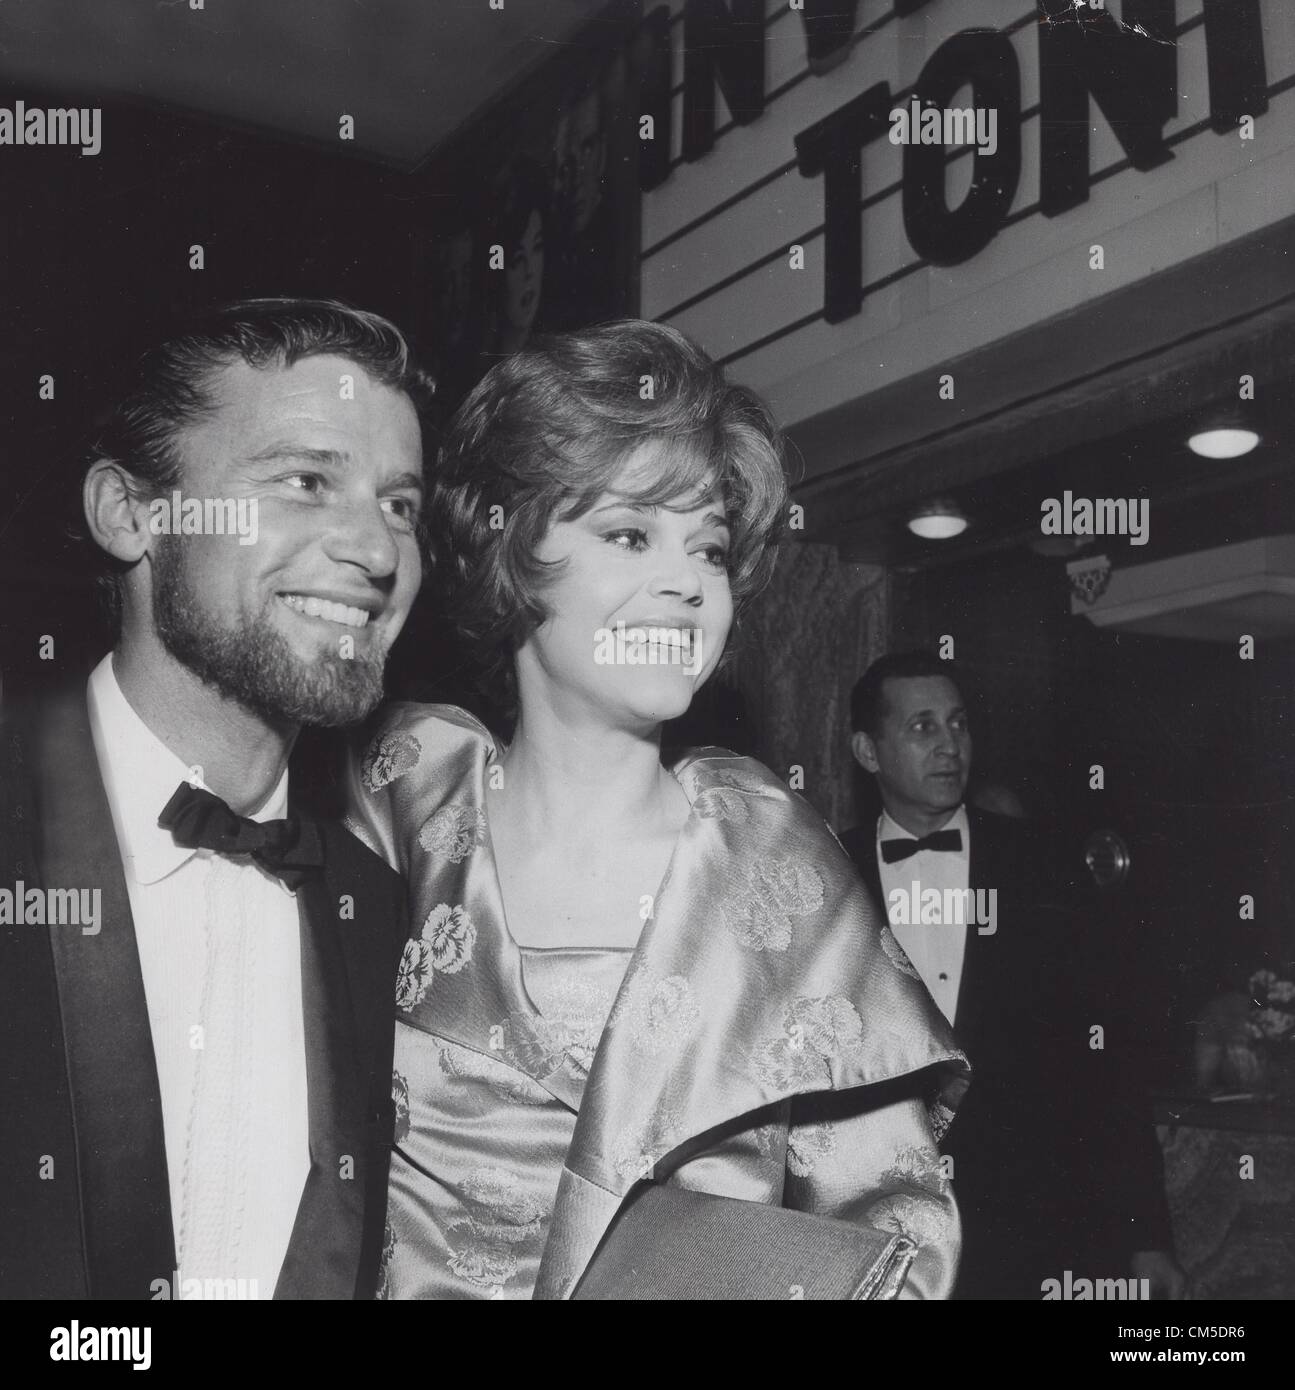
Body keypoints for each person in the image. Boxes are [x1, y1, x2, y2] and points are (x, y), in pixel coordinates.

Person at [346, 320, 970, 1301]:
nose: (686, 582)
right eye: (630, 533)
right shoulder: (402, 792)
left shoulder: (771, 862)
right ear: (509, 548)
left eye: (709, 550)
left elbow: (894, 1225)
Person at [0, 298, 432, 1299]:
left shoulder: (378, 906)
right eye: (306, 480)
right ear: (131, 513)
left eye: (400, 504)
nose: (376, 551)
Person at [838, 650, 1183, 1300]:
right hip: (878, 1232)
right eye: (922, 727)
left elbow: (1104, 1063)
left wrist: (1146, 1233)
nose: (949, 745)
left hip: (1035, 1231)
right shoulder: (829, 874)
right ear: (867, 750)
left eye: (959, 724)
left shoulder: (1044, 866)